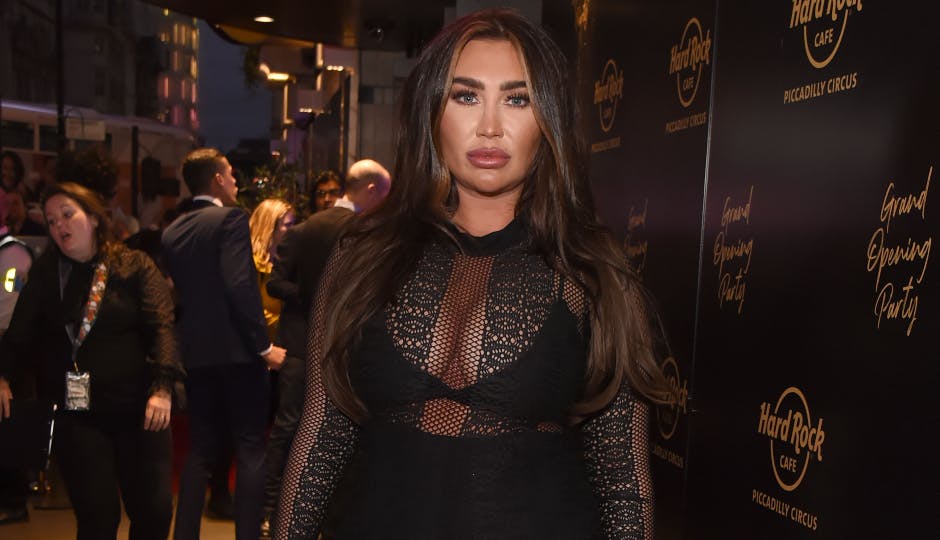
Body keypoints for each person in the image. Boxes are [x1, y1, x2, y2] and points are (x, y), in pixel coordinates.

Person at [274, 8, 669, 540]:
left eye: (517, 99)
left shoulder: (592, 270)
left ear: (548, 119)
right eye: (466, 96)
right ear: (431, 111)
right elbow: (322, 438)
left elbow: (622, 480)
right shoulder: (362, 255)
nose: (489, 126)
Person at [0, 181, 184, 539]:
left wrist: (163, 387)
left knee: (154, 511)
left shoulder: (134, 265)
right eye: (51, 221)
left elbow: (162, 326)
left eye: (67, 215)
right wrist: (3, 375)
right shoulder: (48, 271)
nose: (59, 226)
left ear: (95, 219)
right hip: (79, 414)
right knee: (97, 517)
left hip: (139, 409)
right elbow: (21, 330)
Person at [162, 148, 286, 540]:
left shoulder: (172, 230)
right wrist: (263, 346)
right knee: (250, 447)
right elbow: (238, 284)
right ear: (217, 178)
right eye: (230, 173)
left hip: (196, 352)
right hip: (239, 352)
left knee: (200, 450)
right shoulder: (231, 218)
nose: (235, 181)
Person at [261, 159, 390, 537]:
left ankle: (274, 514)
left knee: (290, 429)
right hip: (336, 348)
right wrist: (323, 296)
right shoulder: (366, 232)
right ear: (371, 190)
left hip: (303, 345)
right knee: (334, 432)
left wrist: (310, 295)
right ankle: (323, 519)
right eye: (385, 194)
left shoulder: (307, 229)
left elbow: (276, 283)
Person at [249, 198, 296, 341]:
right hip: (261, 343)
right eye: (288, 225)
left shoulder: (286, 259)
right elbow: (250, 310)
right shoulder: (252, 262)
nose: (293, 230)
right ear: (269, 226)